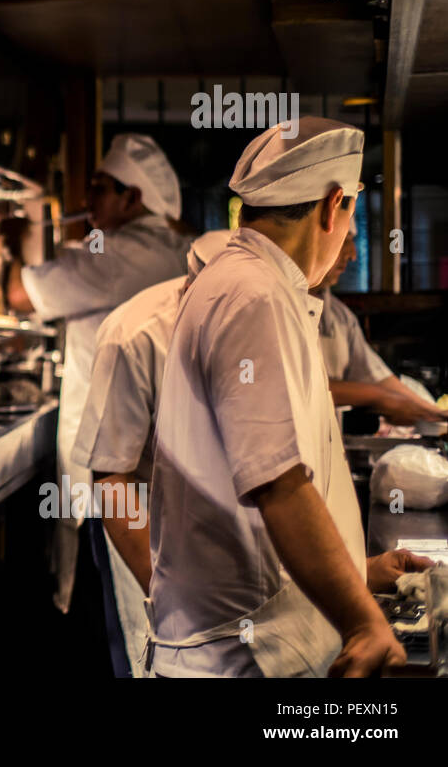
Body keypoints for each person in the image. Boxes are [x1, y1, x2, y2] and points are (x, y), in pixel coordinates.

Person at [146, 117, 434, 678]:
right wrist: (362, 621)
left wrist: (357, 567)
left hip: (255, 637)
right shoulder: (255, 296)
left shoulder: (251, 284)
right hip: (243, 654)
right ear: (333, 207)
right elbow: (278, 481)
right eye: (351, 213)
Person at [3, 133, 190, 612]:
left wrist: (15, 246)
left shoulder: (117, 255)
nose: (87, 201)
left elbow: (19, 296)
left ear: (133, 197)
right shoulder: (174, 248)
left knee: (101, 601)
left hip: (111, 467)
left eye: (99, 188)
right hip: (156, 462)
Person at [71, 228, 233, 678]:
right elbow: (111, 477)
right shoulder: (133, 334)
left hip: (221, 531)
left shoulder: (264, 320)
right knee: (158, 661)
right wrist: (164, 591)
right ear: (190, 289)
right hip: (146, 529)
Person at [314, 222, 446, 425]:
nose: (352, 255)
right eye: (344, 240)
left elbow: (375, 374)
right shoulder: (277, 305)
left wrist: (433, 413)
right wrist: (379, 397)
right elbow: (294, 386)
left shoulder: (339, 315)